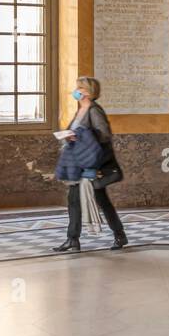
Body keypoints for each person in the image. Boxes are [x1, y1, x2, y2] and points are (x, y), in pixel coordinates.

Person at [53, 77, 128, 253]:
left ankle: (119, 234)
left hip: (92, 165)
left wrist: (80, 136)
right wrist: (70, 135)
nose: (76, 91)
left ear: (88, 91)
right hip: (77, 164)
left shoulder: (94, 110)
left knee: (102, 200)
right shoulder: (80, 110)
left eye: (79, 88)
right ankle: (72, 239)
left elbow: (104, 134)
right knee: (73, 201)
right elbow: (77, 131)